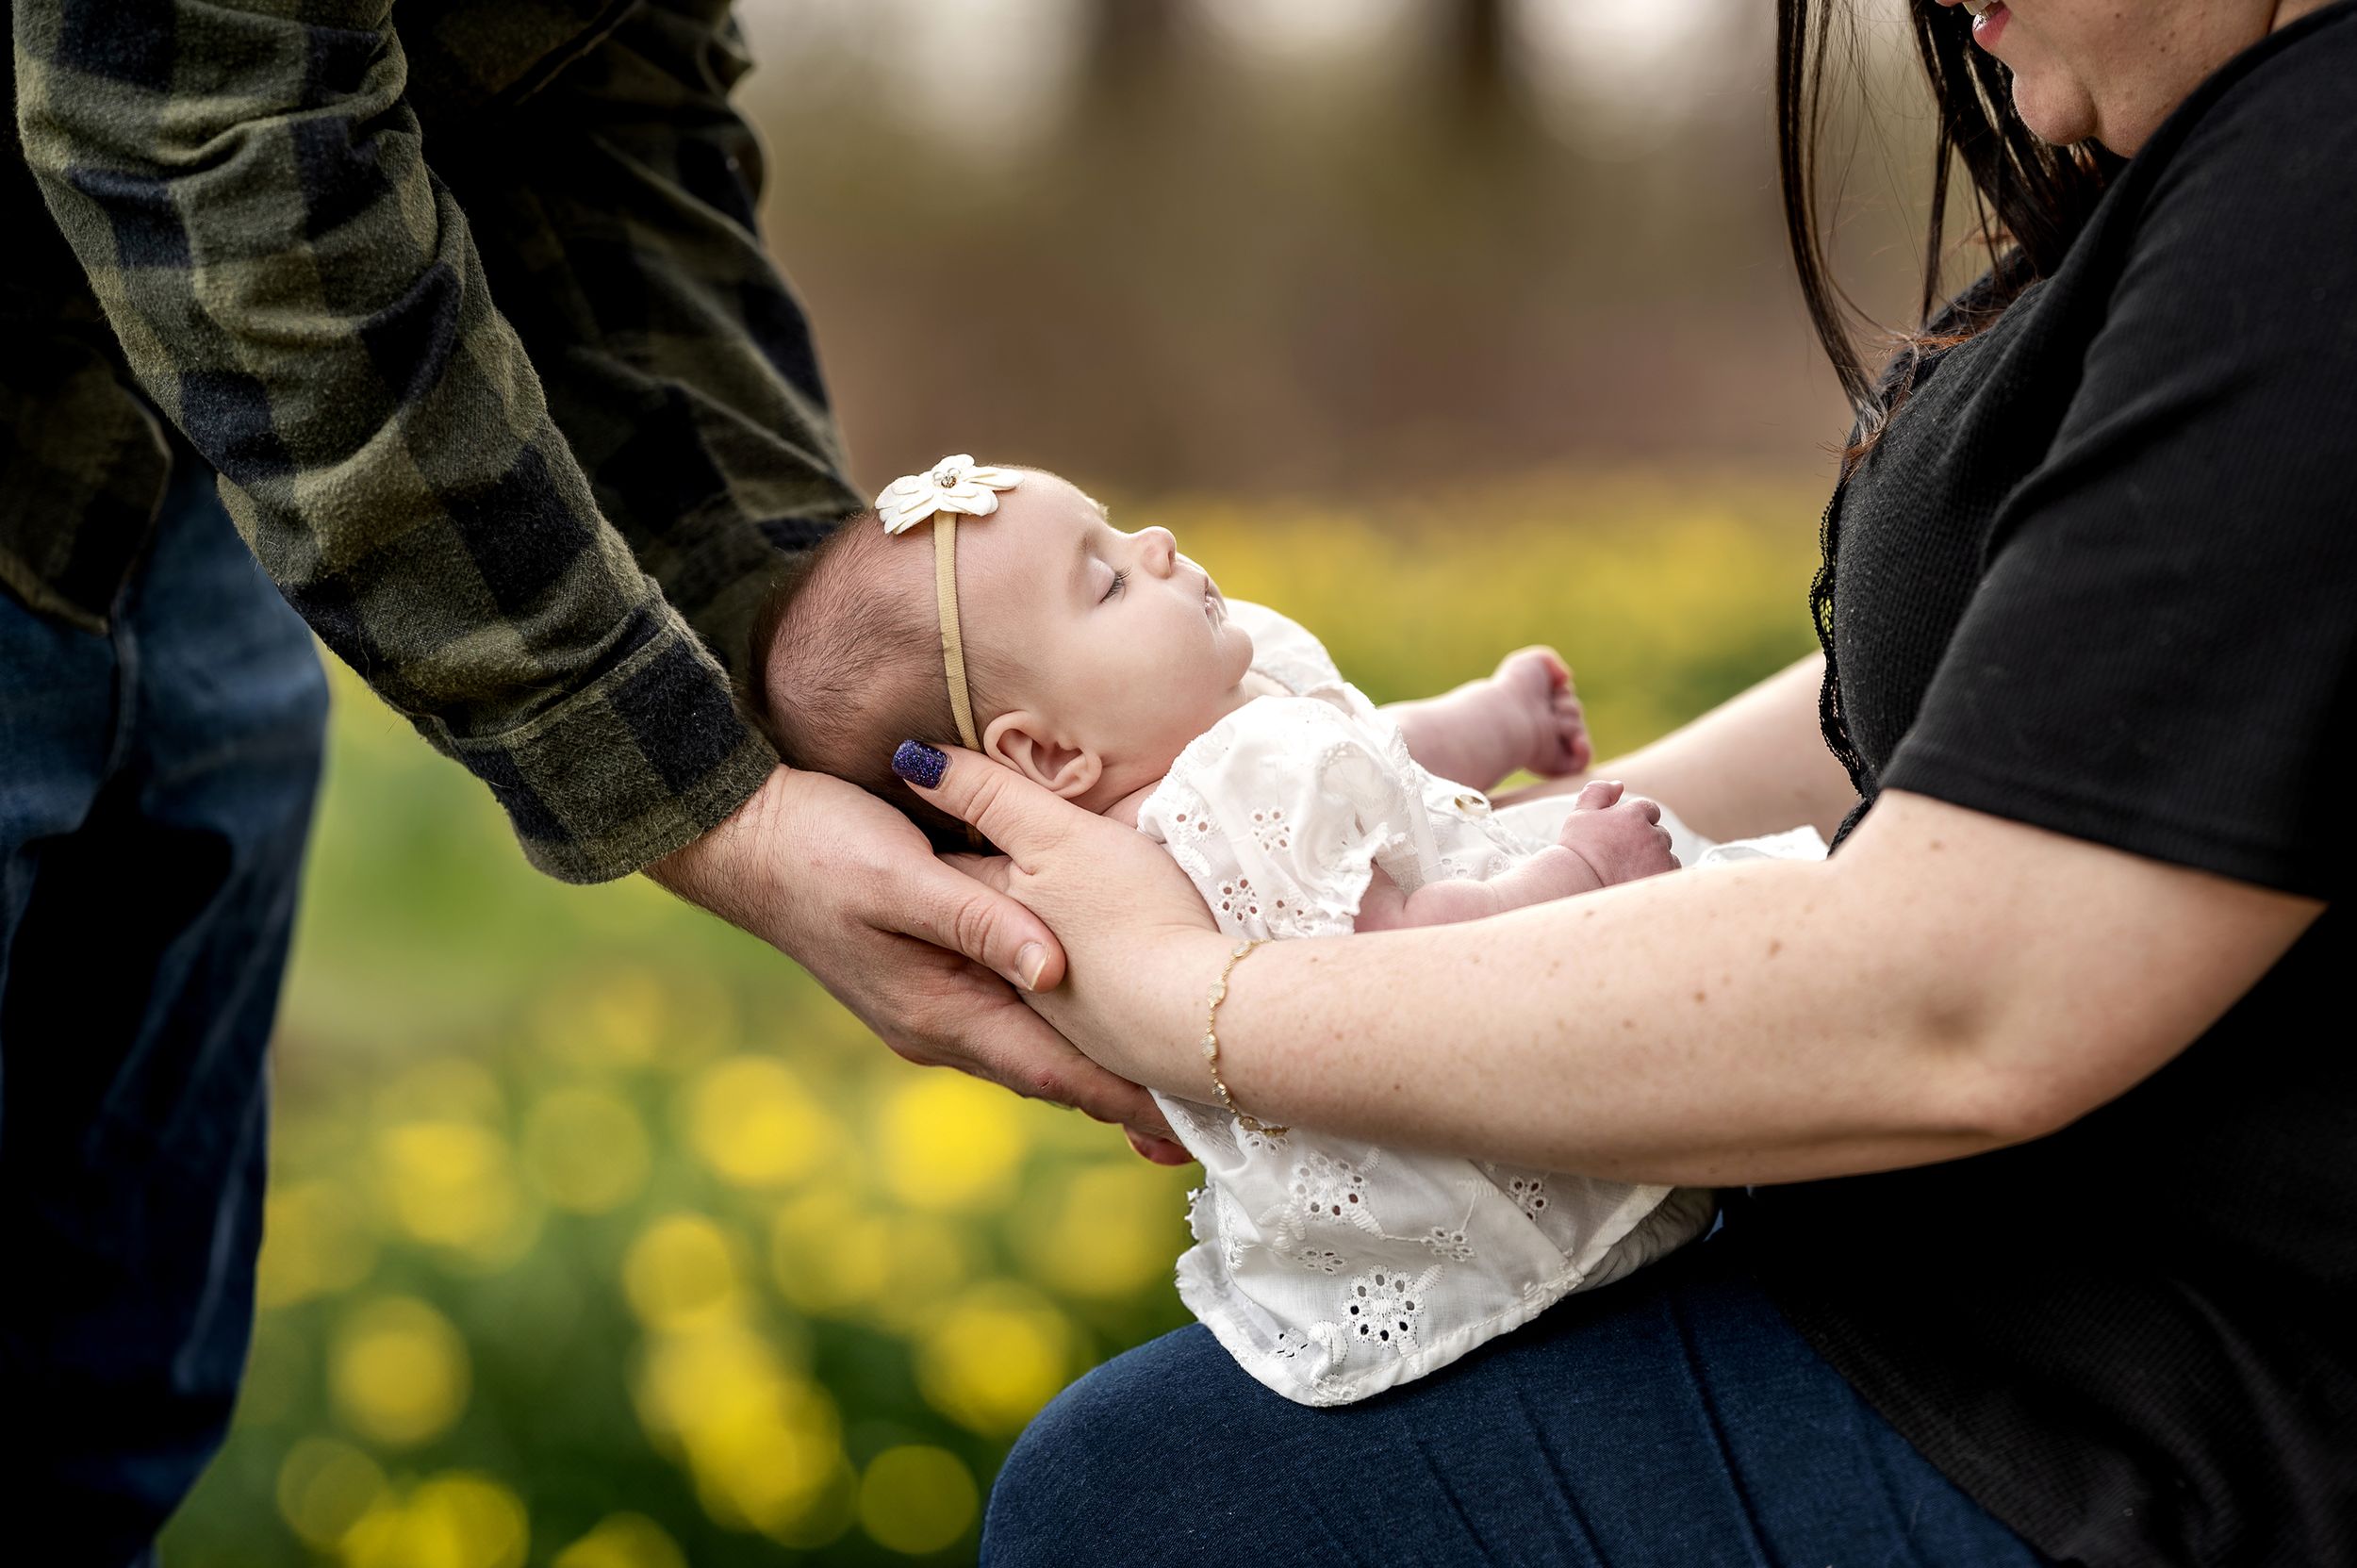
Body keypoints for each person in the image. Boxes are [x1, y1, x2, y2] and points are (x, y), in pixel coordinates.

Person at [919, 2, 2353, 1564]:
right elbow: (2029, 700)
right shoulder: (2233, 148)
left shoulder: (2321, 176)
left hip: (2162, 1419)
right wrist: (1431, 859)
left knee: (1146, 1499)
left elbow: (1967, 998)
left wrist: (1198, 998)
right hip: (1977, 1293)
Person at [1, 2, 1170, 1559]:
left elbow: (585, 100)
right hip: (180, 360)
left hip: (167, 480)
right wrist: (706, 797)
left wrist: (851, 711)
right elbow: (202, 109)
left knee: (93, 1433)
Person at [749, 457, 1834, 1406]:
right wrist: (1574, 872)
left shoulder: (1222, 751)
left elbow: (1373, 758)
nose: (1158, 543)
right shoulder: (1213, 813)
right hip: (1494, 1163)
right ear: (1046, 756)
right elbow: (1403, 956)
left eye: (1116, 523)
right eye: (1108, 577)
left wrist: (1489, 721)